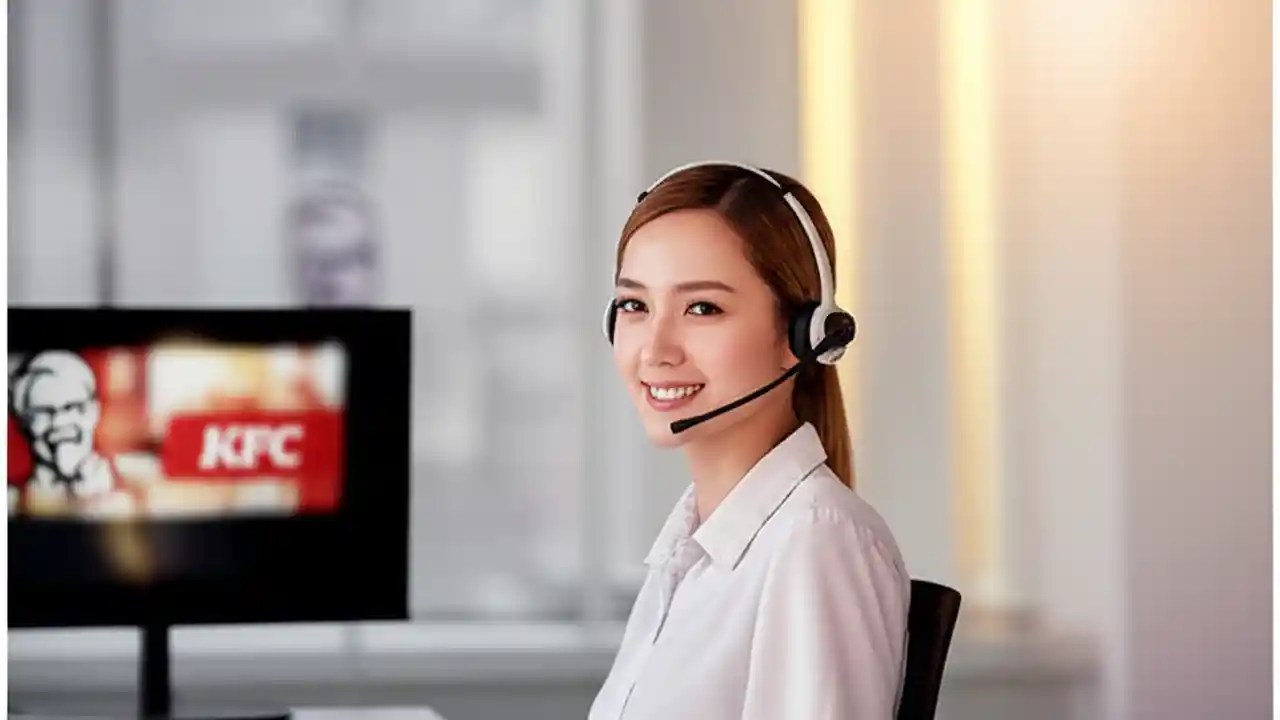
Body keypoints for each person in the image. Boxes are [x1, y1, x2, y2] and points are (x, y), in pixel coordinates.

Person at [589, 162, 910, 719]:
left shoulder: (815, 543)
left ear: (806, 336)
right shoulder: (693, 549)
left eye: (702, 308)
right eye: (635, 306)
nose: (655, 349)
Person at [9, 351, 120, 504]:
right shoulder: (10, 503)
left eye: (73, 407)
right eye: (44, 412)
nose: (59, 422)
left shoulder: (129, 500)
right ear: (23, 421)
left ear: (95, 412)